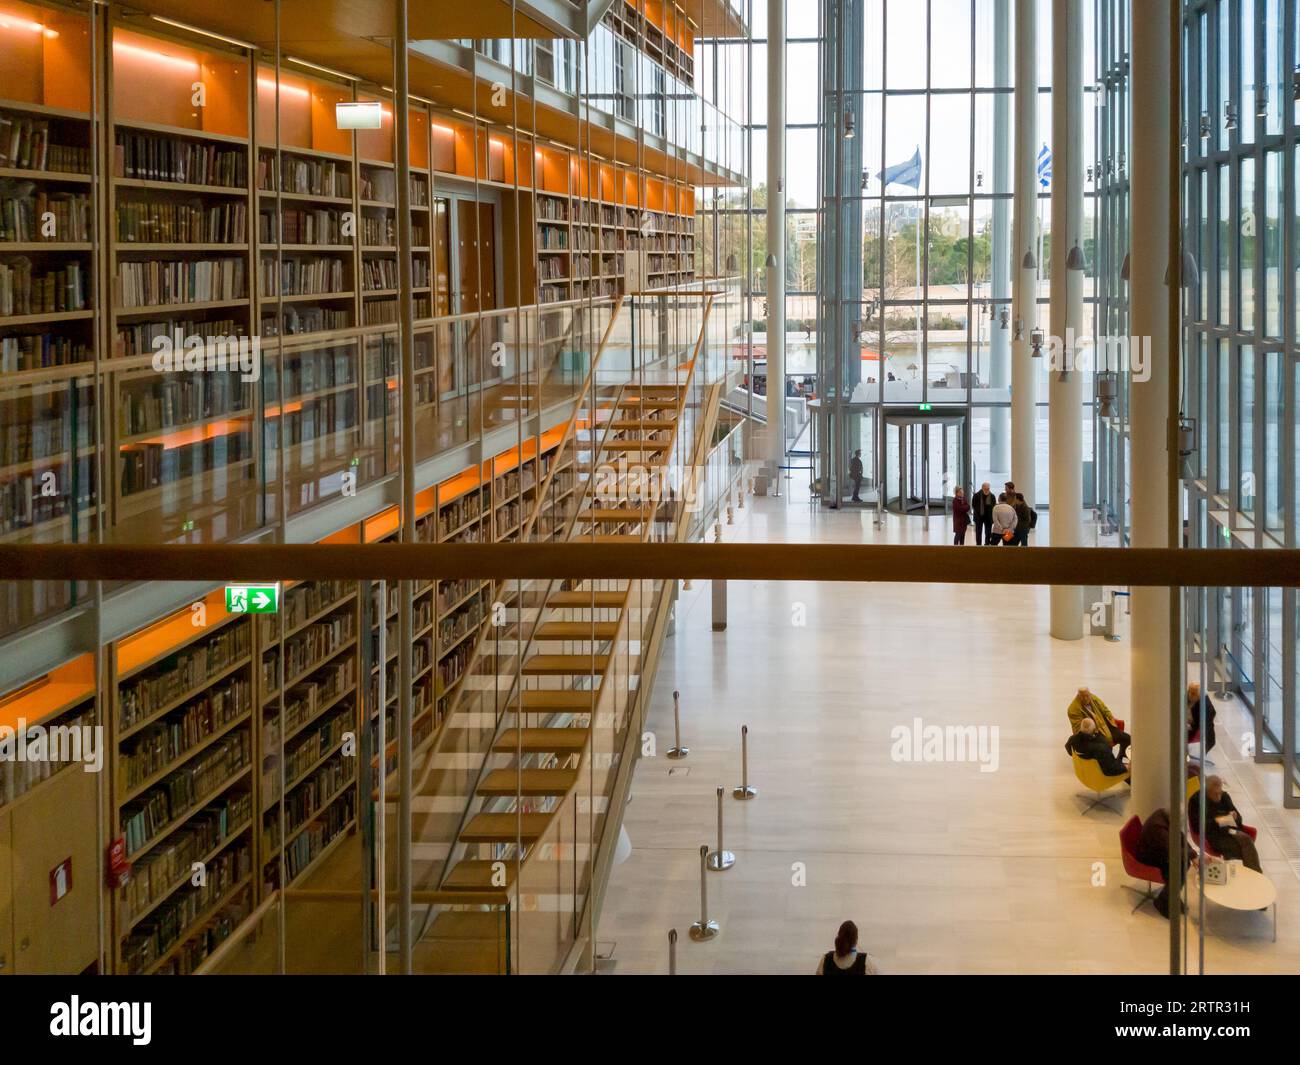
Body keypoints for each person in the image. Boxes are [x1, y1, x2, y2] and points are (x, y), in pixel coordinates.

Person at [1187, 775, 1261, 872]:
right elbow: (1197, 827)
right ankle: (1255, 873)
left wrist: (1235, 816)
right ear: (1207, 792)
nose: (1219, 796)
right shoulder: (1196, 801)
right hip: (1213, 835)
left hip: (1230, 830)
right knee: (1245, 847)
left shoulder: (1224, 796)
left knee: (1246, 840)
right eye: (1215, 794)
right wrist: (1217, 821)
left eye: (1220, 792)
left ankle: (1253, 873)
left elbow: (1239, 820)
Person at [1135, 808, 1189, 918]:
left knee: (1184, 862)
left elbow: (1180, 836)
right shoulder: (1158, 828)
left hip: (1158, 849)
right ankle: (1162, 902)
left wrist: (1192, 854)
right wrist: (1192, 855)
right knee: (1179, 866)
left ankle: (1171, 895)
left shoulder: (1164, 815)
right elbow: (1172, 849)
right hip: (1148, 856)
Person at [1067, 687, 1131, 761]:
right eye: (1083, 697)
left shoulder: (1093, 698)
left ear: (1089, 694)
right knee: (1105, 747)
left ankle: (1120, 756)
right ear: (1078, 696)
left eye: (1087, 696)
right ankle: (1110, 764)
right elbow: (1079, 728)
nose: (1086, 698)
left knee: (1127, 738)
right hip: (1093, 732)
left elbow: (1106, 710)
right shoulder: (1073, 709)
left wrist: (1110, 718)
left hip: (1106, 726)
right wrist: (1092, 728)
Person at [1064, 717, 1129, 778]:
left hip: (1086, 769)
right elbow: (1110, 769)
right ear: (1094, 730)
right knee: (1132, 769)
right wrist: (1125, 767)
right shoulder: (1101, 748)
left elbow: (1068, 748)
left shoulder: (1072, 739)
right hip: (1102, 772)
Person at [1186, 681, 1218, 756]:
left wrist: (1189, 726)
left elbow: (1198, 725)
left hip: (1195, 729)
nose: (1190, 695)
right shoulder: (1194, 697)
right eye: (1190, 692)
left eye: (1193, 693)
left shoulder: (1202, 707)